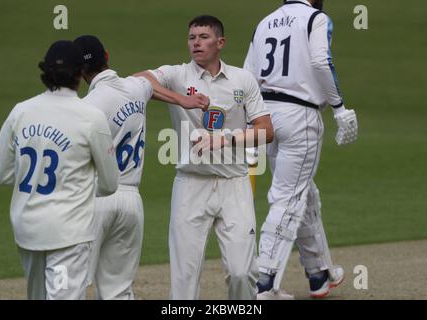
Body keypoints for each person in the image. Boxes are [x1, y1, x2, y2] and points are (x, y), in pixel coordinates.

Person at [135, 15, 274, 300]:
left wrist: (225, 139)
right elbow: (138, 81)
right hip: (190, 184)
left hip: (234, 182)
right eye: (191, 37)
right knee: (184, 277)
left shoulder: (242, 79)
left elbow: (266, 131)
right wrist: (181, 99)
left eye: (203, 37)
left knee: (241, 272)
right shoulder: (177, 75)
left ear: (220, 42)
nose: (196, 43)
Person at [73, 35, 209, 299]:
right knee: (119, 290)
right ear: (108, 56)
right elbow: (148, 84)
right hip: (131, 203)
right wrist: (182, 99)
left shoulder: (84, 108)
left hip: (94, 199)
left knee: (73, 285)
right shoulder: (135, 88)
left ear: (79, 71)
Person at [244, 0, 358, 299]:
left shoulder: (265, 22)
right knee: (288, 197)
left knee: (302, 191)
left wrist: (251, 118)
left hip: (265, 116)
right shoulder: (316, 18)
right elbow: (322, 62)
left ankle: (319, 273)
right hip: (300, 117)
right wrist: (339, 107)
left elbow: (247, 73)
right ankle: (264, 281)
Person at [0, 40, 119, 300]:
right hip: (68, 234)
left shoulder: (20, 112)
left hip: (27, 228)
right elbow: (109, 183)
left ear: (45, 72)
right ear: (79, 73)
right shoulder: (90, 116)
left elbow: (3, 174)